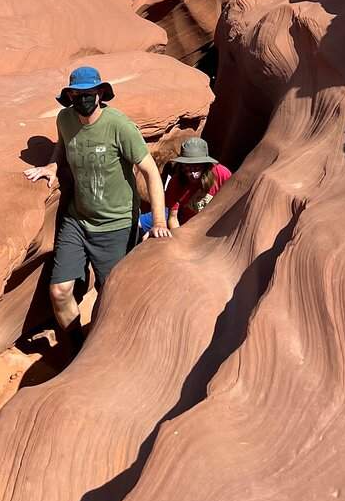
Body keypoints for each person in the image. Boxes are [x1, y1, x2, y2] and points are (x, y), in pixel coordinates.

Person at [25, 66, 170, 349]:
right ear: (69, 96)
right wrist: (54, 164)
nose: (84, 99)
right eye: (77, 94)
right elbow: (61, 145)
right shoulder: (65, 119)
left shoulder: (120, 126)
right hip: (78, 220)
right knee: (59, 291)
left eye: (89, 94)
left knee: (112, 294)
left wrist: (159, 223)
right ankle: (78, 347)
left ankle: (111, 347)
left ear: (101, 93)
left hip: (115, 225)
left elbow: (151, 171)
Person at [163, 136, 232, 229]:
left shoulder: (222, 174)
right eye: (188, 166)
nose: (193, 172)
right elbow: (172, 217)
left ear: (205, 164)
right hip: (189, 229)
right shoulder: (175, 182)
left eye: (197, 165)